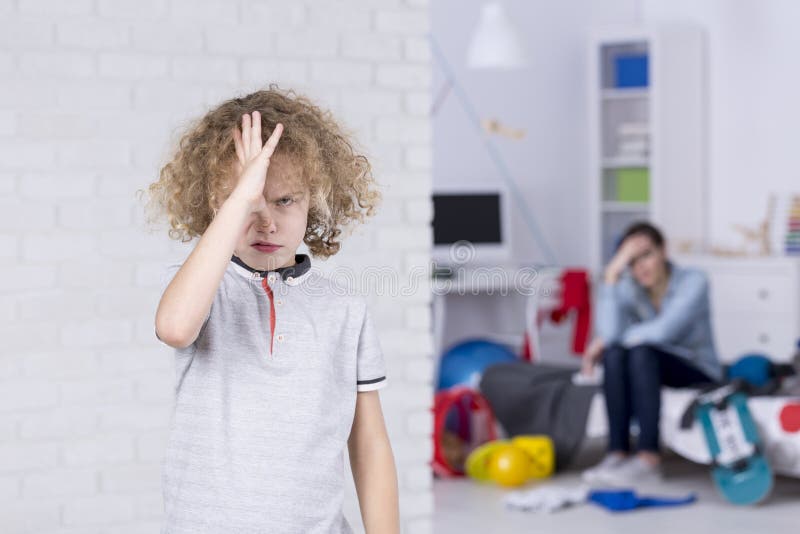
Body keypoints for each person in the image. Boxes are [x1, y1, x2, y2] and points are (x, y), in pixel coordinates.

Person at [144, 87, 400, 533]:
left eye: (285, 201)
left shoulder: (343, 309)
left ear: (313, 200)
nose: (267, 222)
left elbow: (369, 443)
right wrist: (243, 194)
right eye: (247, 202)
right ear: (216, 206)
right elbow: (175, 327)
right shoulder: (202, 288)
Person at [580, 221, 722, 486]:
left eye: (646, 255)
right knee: (614, 355)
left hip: (697, 368)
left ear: (663, 252)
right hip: (651, 364)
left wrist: (606, 342)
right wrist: (611, 275)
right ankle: (617, 453)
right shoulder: (628, 288)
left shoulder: (694, 281)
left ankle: (648, 458)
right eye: (631, 261)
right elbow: (611, 336)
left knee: (640, 352)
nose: (640, 267)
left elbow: (664, 332)